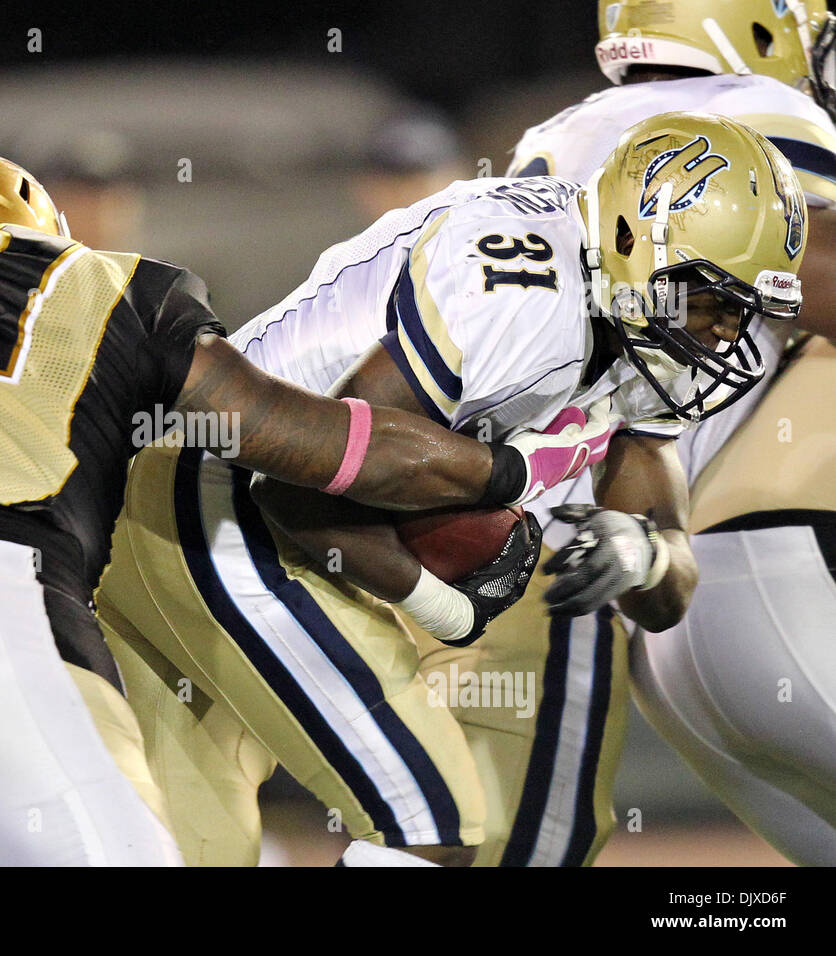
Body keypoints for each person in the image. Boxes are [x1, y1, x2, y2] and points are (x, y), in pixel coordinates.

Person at [0, 148, 603, 866]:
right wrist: (503, 472)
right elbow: (290, 439)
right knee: (428, 814)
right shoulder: (110, 282)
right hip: (2, 608)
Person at [95, 111, 807, 866]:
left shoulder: (638, 303)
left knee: (193, 847)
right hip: (222, 490)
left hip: (195, 505)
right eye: (706, 297)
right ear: (633, 240)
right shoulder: (524, 285)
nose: (722, 334)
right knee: (430, 821)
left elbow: (662, 570)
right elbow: (300, 488)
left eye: (741, 310)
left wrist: (647, 555)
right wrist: (450, 601)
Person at [506, 0, 836, 865]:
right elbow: (826, 279)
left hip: (617, 594)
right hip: (710, 565)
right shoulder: (759, 114)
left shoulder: (555, 134)